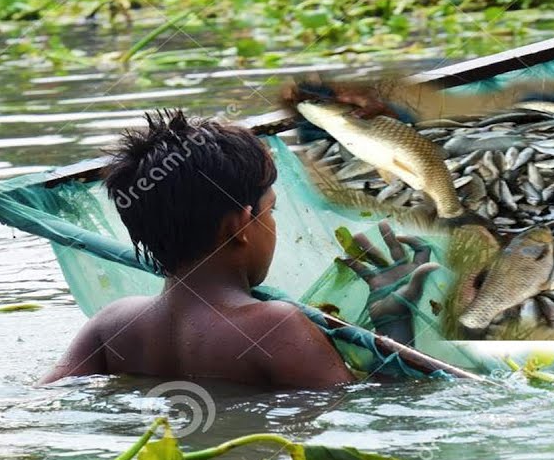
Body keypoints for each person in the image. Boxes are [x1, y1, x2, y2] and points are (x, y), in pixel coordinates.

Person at [40, 110, 354, 388]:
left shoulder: (110, 325)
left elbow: (47, 395)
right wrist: (391, 325)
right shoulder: (276, 326)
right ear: (241, 226)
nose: (273, 224)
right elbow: (346, 407)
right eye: (271, 210)